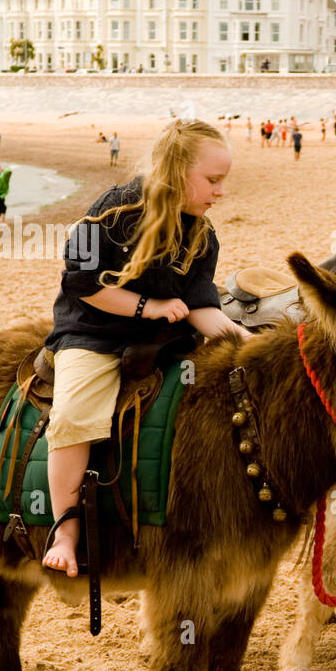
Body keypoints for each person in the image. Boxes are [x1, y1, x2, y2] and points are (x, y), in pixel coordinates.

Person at [41, 120, 250, 576]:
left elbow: (200, 307)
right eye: (213, 180)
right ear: (177, 172)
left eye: (223, 182)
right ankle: (66, 528)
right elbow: (82, 284)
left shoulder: (201, 233)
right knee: (75, 414)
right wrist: (149, 306)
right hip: (92, 332)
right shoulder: (114, 212)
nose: (220, 192)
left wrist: (247, 343)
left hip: (160, 340)